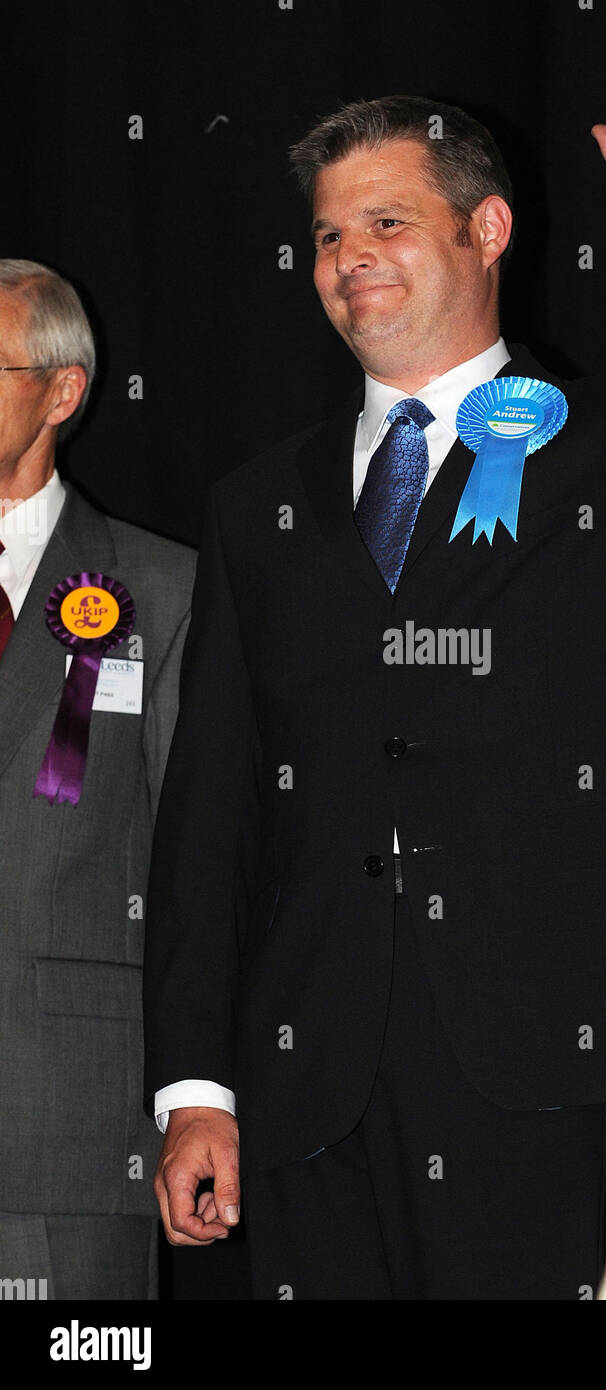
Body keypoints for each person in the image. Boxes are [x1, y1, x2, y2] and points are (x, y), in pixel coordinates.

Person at [144, 32, 606, 1299]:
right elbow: (212, 810)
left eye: (385, 221)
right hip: (308, 1074)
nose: (348, 256)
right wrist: (194, 1086)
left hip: (538, 1048)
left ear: (487, 230)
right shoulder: (258, 504)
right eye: (326, 234)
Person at [0, 259, 195, 1299]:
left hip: (67, 1117)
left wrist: (199, 1098)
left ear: (61, 392)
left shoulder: (161, 589)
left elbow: (197, 872)